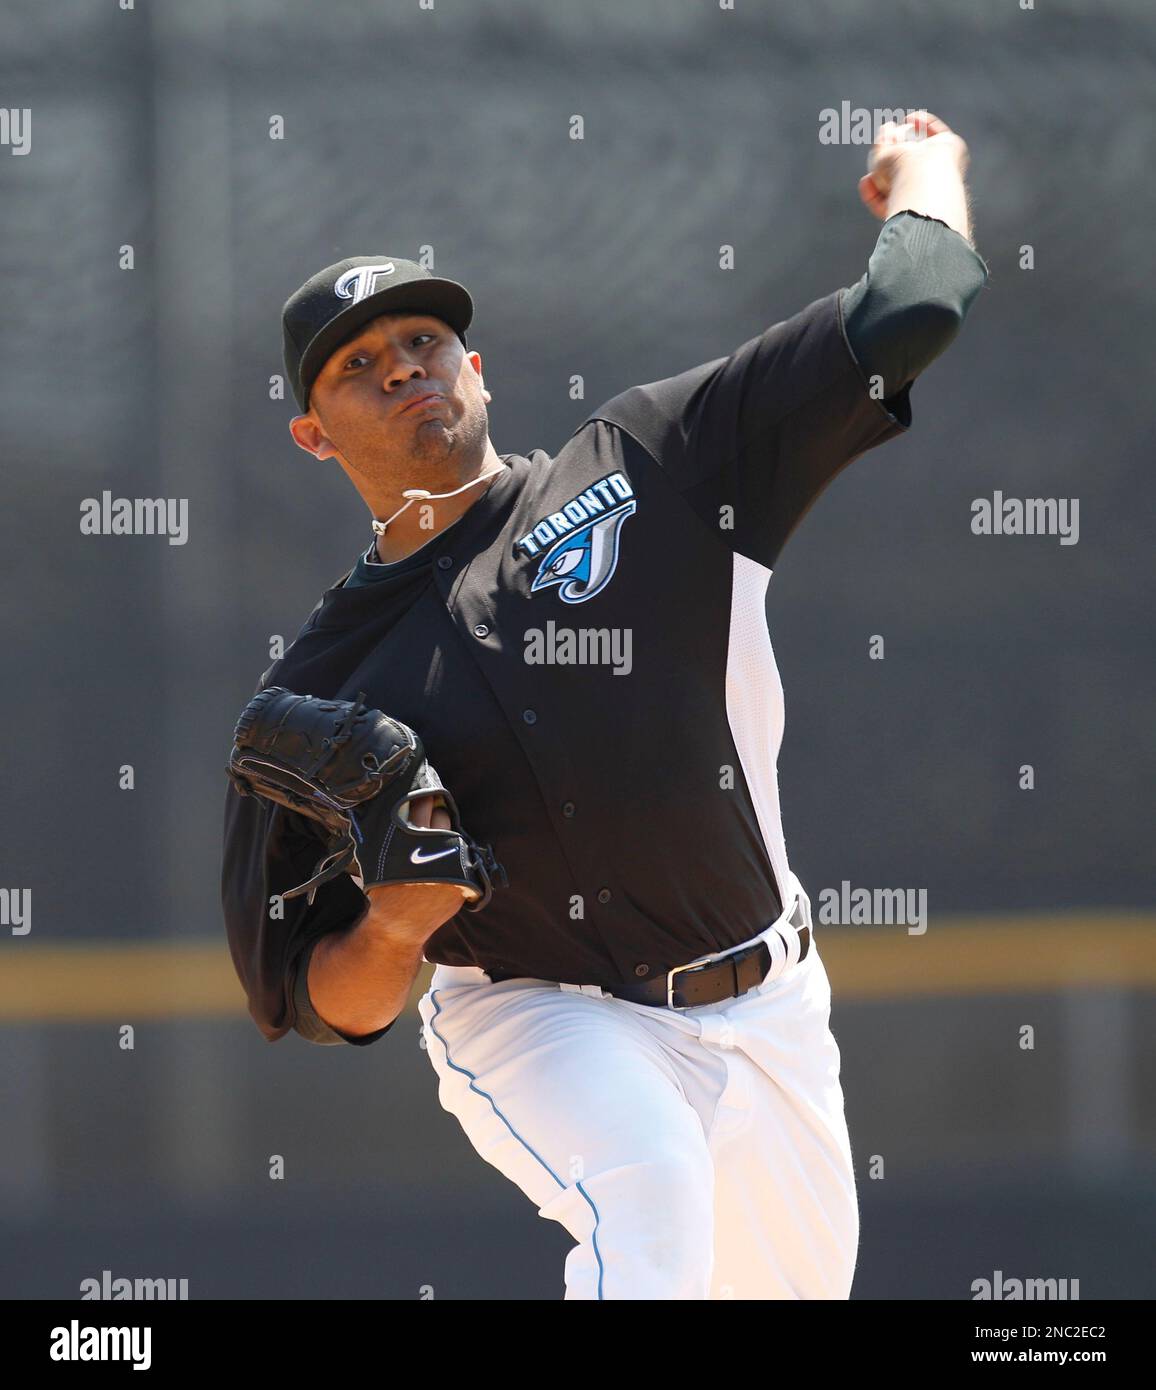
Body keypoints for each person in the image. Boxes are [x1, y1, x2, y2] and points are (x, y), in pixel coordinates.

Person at [221, 110, 987, 1299]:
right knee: (646, 1182)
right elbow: (310, 999)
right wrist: (393, 928)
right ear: (314, 436)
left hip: (768, 993)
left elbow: (918, 304)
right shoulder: (319, 685)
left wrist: (927, 166)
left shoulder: (653, 463)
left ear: (477, 369)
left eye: (423, 339)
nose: (403, 369)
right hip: (538, 1016)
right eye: (357, 368)